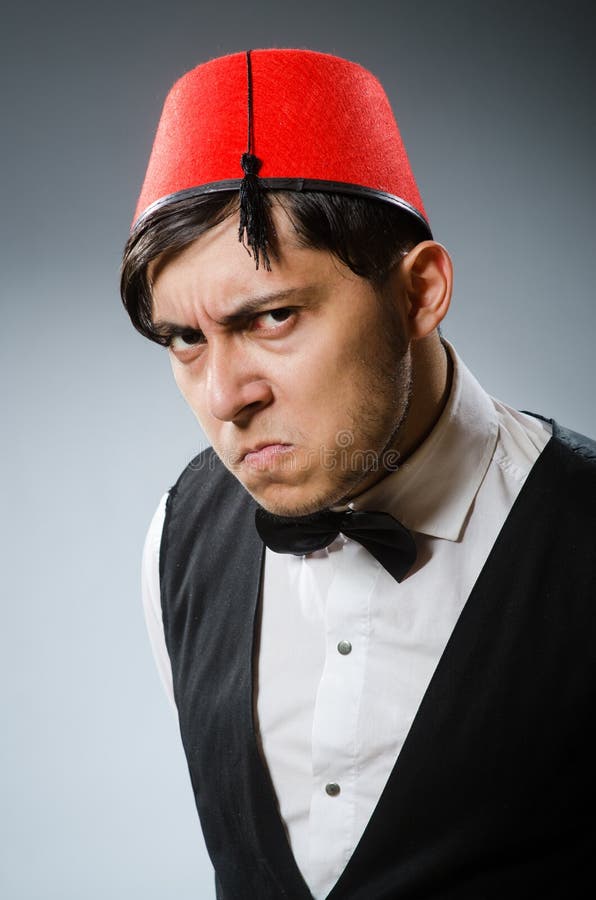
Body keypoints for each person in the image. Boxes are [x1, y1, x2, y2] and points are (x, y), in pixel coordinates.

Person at [120, 49, 596, 900]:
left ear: (418, 293)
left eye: (272, 316)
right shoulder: (176, 537)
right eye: (185, 340)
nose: (226, 396)